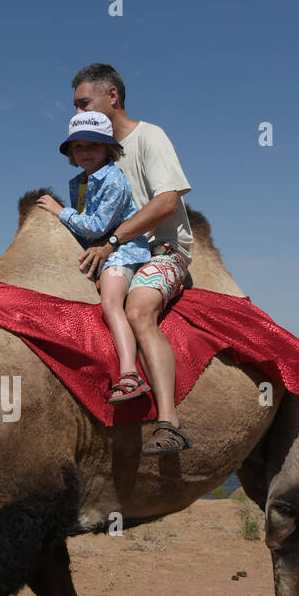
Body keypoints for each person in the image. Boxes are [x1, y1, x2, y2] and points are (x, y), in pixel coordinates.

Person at [67, 63, 195, 455]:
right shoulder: (98, 162)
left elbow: (167, 200)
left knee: (139, 311)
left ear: (113, 97)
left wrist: (113, 240)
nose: (77, 114)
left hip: (163, 250)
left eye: (83, 103)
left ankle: (169, 422)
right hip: (119, 254)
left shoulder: (149, 137)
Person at [35, 111, 154, 404]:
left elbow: (96, 226)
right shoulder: (83, 182)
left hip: (122, 251)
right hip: (100, 250)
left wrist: (59, 210)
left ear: (108, 148)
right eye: (79, 147)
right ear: (71, 153)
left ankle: (130, 375)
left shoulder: (113, 180)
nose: (85, 152)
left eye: (93, 145)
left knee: (111, 303)